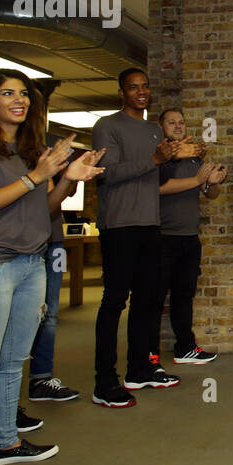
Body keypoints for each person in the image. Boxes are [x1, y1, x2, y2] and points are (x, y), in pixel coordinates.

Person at [0, 70, 104, 465]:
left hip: (30, 263)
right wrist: (38, 174)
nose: (18, 100)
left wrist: (70, 178)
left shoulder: (27, 150)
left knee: (13, 361)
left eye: (23, 94)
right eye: (7, 93)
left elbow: (45, 207)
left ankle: (4, 442)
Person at [90, 68, 182, 406]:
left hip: (149, 223)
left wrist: (172, 156)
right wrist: (154, 158)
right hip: (119, 225)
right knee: (115, 302)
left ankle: (139, 369)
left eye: (145, 87)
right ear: (121, 92)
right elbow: (107, 173)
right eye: (133, 88)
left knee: (148, 301)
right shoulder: (107, 126)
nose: (140, 92)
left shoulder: (152, 129)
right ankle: (104, 381)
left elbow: (158, 176)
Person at [156, 107, 226, 365]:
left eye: (181, 122)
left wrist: (214, 180)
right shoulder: (160, 159)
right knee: (154, 297)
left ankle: (185, 347)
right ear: (161, 127)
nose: (177, 126)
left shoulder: (195, 158)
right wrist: (198, 180)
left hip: (189, 238)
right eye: (171, 122)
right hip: (163, 237)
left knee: (184, 295)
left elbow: (210, 194)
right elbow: (159, 188)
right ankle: (148, 353)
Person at [27, 95, 82, 402]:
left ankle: (41, 379)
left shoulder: (51, 143)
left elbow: (60, 196)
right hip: (19, 244)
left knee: (48, 313)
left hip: (53, 240)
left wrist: (69, 177)